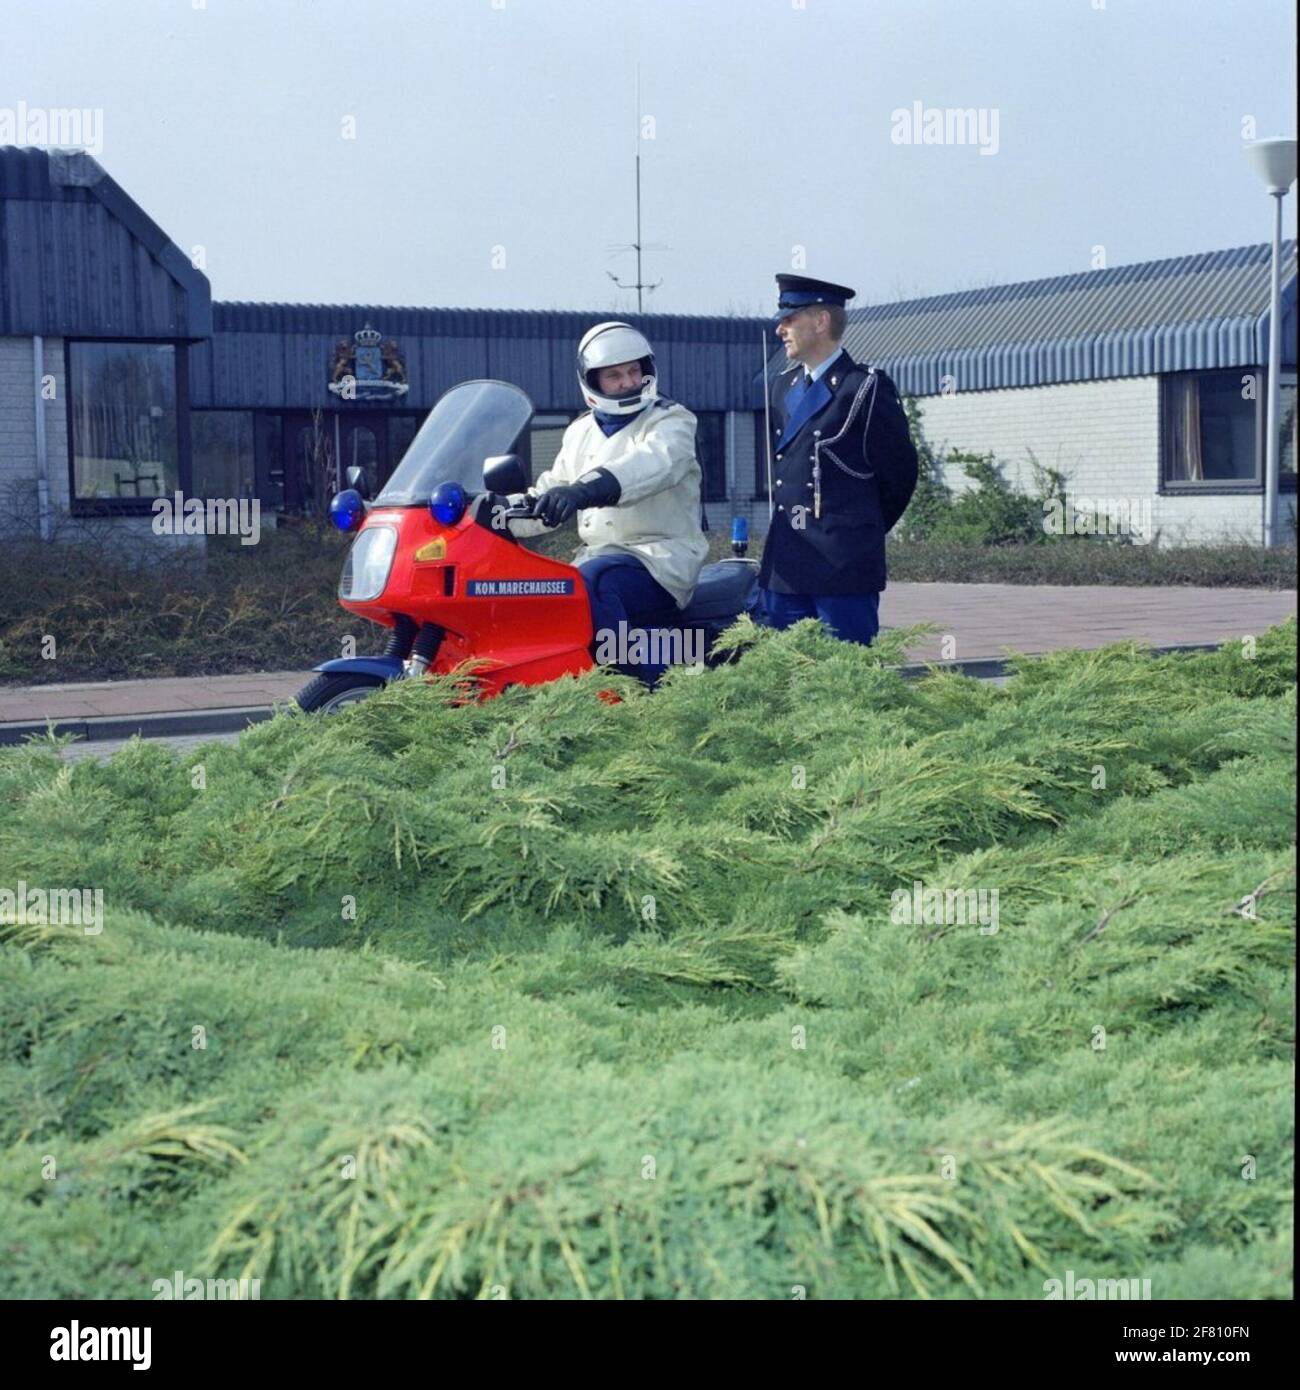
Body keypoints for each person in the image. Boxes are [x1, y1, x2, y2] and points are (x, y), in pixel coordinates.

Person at [502, 321, 708, 684]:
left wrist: (583, 491)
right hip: (598, 557)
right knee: (543, 587)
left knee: (594, 584)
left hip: (660, 558)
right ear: (592, 382)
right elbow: (553, 488)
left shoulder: (671, 420)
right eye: (614, 376)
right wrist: (495, 510)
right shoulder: (580, 431)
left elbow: (650, 465)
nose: (628, 382)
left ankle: (627, 693)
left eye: (634, 371)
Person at [758, 274, 918, 645]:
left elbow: (899, 476)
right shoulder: (784, 386)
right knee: (782, 681)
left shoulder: (863, 387)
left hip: (841, 569)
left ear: (820, 321)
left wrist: (854, 530)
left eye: (789, 319)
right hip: (786, 566)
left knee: (845, 683)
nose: (780, 328)